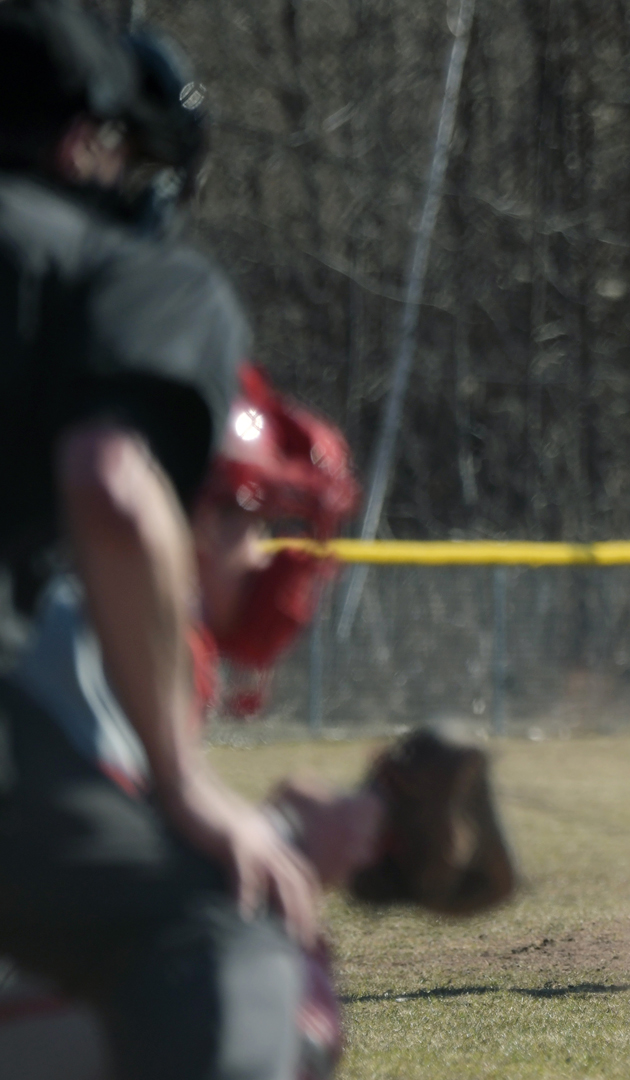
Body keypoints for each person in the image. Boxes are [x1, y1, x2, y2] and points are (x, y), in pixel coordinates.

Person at [1, 362, 515, 1079]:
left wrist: (309, 833)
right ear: (200, 513)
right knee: (263, 982)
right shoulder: (91, 624)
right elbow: (91, 889)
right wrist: (289, 842)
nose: (261, 554)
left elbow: (92, 849)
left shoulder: (63, 609)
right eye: (256, 520)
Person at [0, 2, 322, 1076]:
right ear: (88, 139)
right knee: (230, 943)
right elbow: (111, 483)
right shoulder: (117, 275)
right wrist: (183, 784)